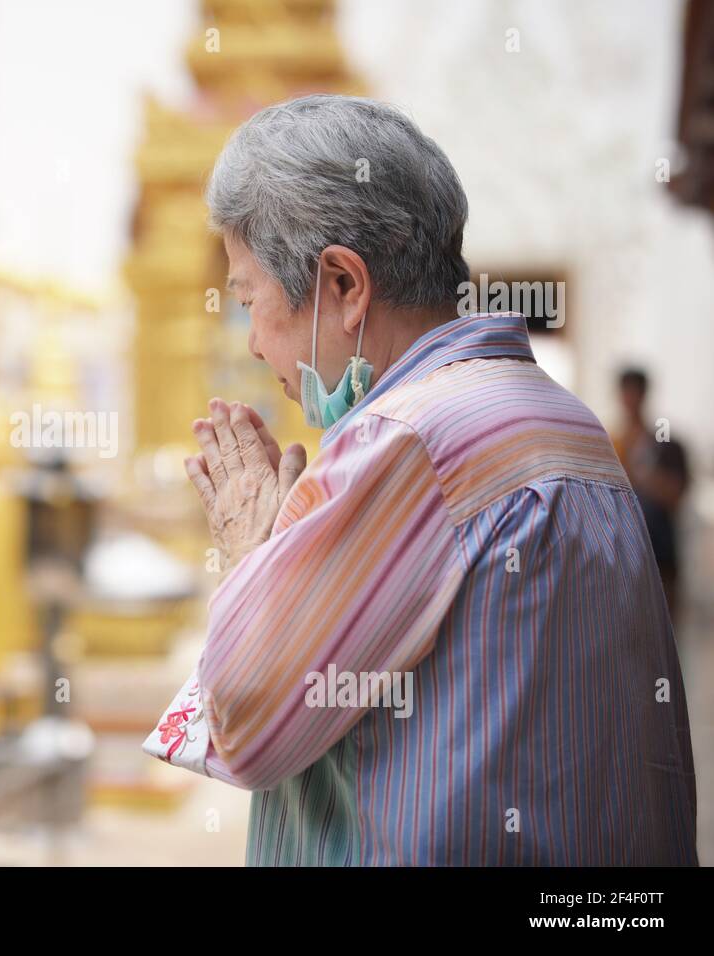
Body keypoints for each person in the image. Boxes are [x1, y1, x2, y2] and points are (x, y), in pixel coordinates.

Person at [142, 95, 698, 865]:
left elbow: (246, 717)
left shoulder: (406, 442)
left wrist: (249, 555)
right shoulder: (569, 424)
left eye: (247, 299)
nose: (253, 340)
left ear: (343, 284)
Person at [611, 367, 691, 617]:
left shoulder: (666, 443)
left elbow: (677, 494)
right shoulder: (610, 441)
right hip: (620, 555)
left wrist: (642, 477)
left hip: (661, 554)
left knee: (666, 625)